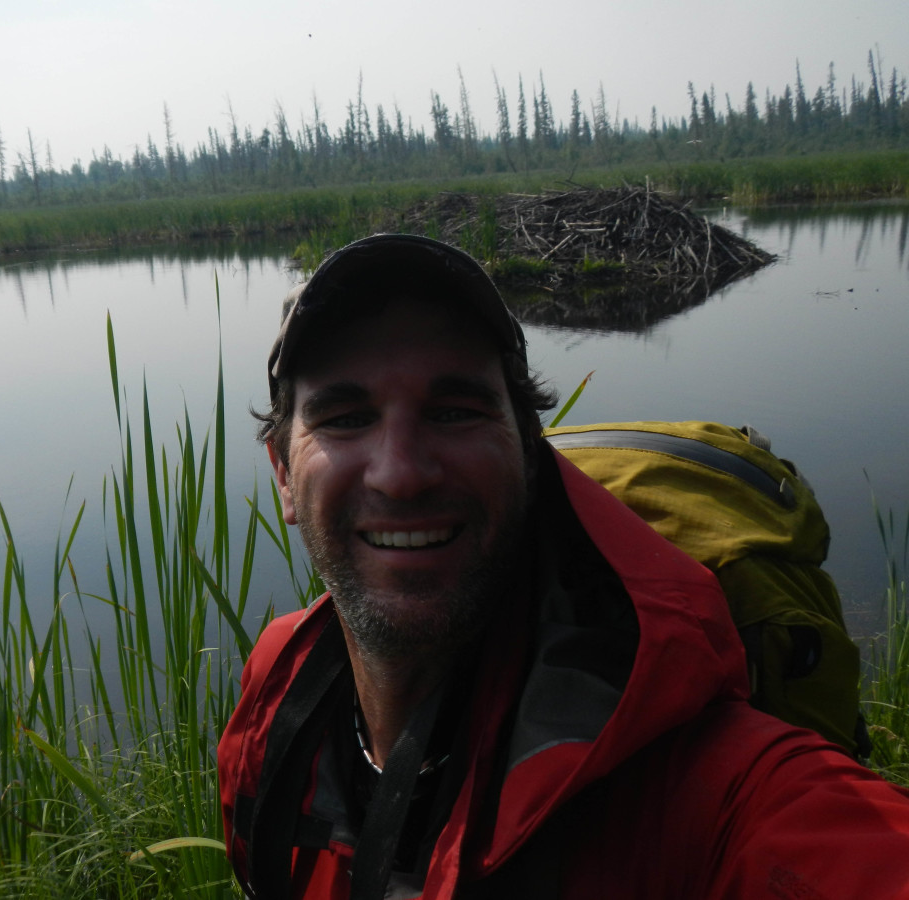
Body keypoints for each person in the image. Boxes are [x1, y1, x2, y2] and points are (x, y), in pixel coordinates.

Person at [217, 234, 909, 899]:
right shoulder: (277, 706)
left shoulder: (707, 788)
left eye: (455, 411)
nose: (400, 475)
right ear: (282, 473)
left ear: (528, 457)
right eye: (343, 418)